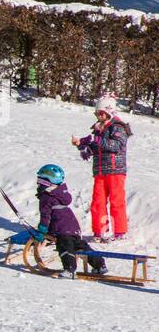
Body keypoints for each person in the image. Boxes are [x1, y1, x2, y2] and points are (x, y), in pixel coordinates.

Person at [31, 164, 106, 279]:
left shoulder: (46, 197)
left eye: (39, 180)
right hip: (73, 226)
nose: (38, 184)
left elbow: (45, 217)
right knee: (79, 246)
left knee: (65, 247)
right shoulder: (59, 194)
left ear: (46, 182)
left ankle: (69, 270)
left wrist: (41, 232)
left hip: (62, 228)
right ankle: (100, 265)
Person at [73, 94, 131, 242]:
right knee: (97, 202)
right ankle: (100, 231)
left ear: (109, 112)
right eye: (96, 113)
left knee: (116, 201)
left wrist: (96, 140)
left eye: (101, 113)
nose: (98, 115)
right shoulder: (98, 129)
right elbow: (96, 147)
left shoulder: (118, 127)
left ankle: (120, 231)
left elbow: (117, 146)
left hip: (115, 171)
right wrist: (84, 148)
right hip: (100, 171)